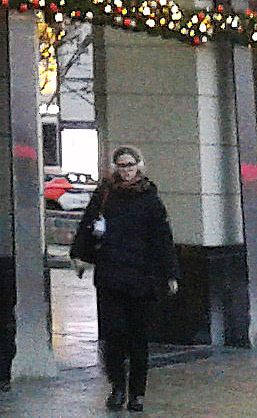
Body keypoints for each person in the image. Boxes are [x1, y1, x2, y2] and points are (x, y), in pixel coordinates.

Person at [72, 143, 179, 412]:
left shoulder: (149, 197)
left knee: (138, 338)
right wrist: (79, 255)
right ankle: (118, 387)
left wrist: (170, 273)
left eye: (130, 165)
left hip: (141, 278)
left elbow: (162, 239)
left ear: (138, 166)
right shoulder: (105, 194)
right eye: (121, 166)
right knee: (115, 335)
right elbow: (88, 224)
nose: (126, 171)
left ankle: (137, 393)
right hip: (111, 275)